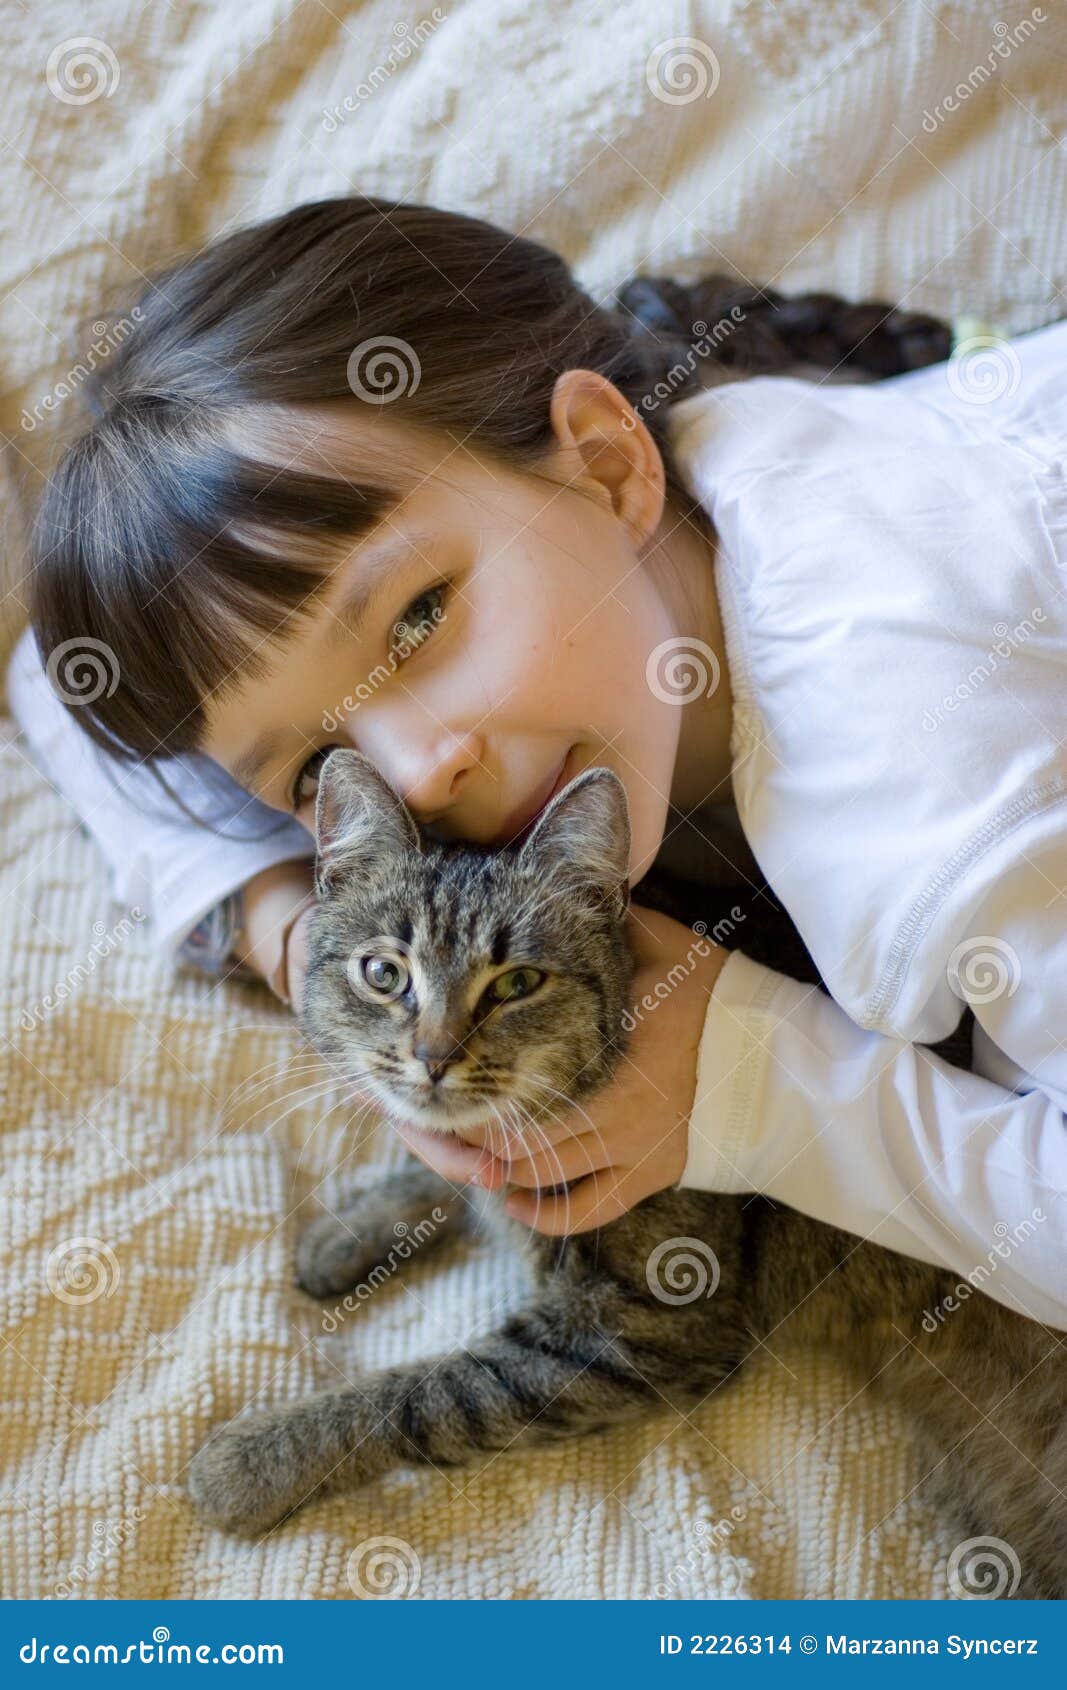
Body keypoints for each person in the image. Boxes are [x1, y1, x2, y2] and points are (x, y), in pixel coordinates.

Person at [9, 193, 1066, 1328]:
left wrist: (756, 1081)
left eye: (416, 620)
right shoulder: (634, 558)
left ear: (605, 463)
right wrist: (291, 927)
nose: (417, 775)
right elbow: (53, 683)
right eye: (315, 763)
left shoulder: (916, 770)